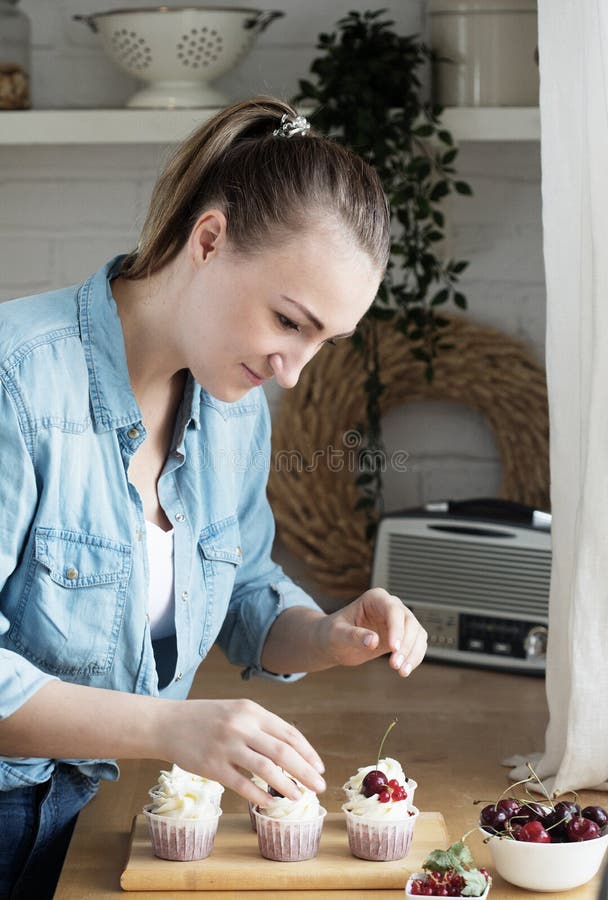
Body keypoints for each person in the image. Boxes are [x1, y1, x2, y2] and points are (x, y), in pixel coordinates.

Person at [0, 96, 427, 899]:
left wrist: (329, 633)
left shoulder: (233, 411)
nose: (293, 370)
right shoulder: (16, 380)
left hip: (112, 817)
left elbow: (246, 600)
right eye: (287, 320)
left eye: (323, 343)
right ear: (208, 239)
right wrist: (170, 726)